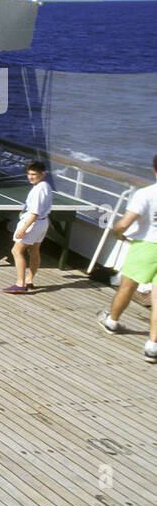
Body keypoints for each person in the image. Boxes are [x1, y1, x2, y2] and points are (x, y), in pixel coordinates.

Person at [97, 152, 157, 363]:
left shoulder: (146, 193)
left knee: (127, 287)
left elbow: (124, 224)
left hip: (146, 246)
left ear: (154, 170)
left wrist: (118, 234)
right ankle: (152, 346)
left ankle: (112, 321)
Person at [1, 160, 52, 294]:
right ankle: (29, 281)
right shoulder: (46, 186)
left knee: (16, 251)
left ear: (43, 174)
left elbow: (34, 212)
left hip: (32, 222)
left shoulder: (39, 190)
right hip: (43, 222)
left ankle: (20, 283)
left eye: (34, 174)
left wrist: (23, 229)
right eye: (29, 174)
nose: (31, 177)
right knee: (34, 250)